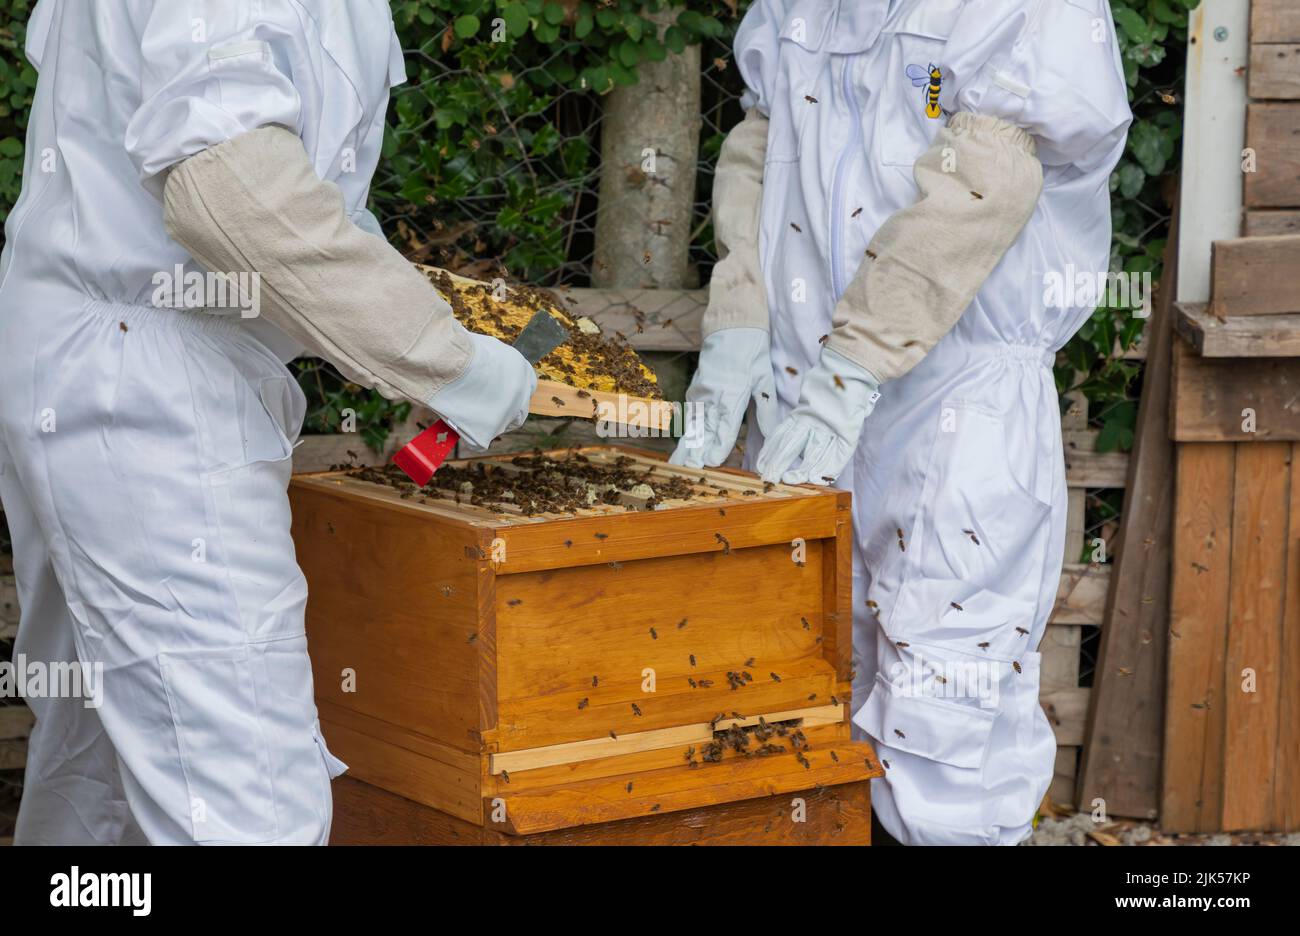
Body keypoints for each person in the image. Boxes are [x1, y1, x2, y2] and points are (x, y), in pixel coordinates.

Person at [0, 0, 535, 844]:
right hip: (145, 386)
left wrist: (410, 329)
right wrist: (446, 361)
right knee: (251, 804)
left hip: (110, 361)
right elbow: (229, 190)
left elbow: (297, 190)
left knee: (104, 763)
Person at [673, 0, 1131, 845]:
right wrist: (738, 316)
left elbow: (986, 181)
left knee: (944, 704)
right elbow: (761, 142)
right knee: (798, 683)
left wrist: (858, 361)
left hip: (955, 405)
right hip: (798, 392)